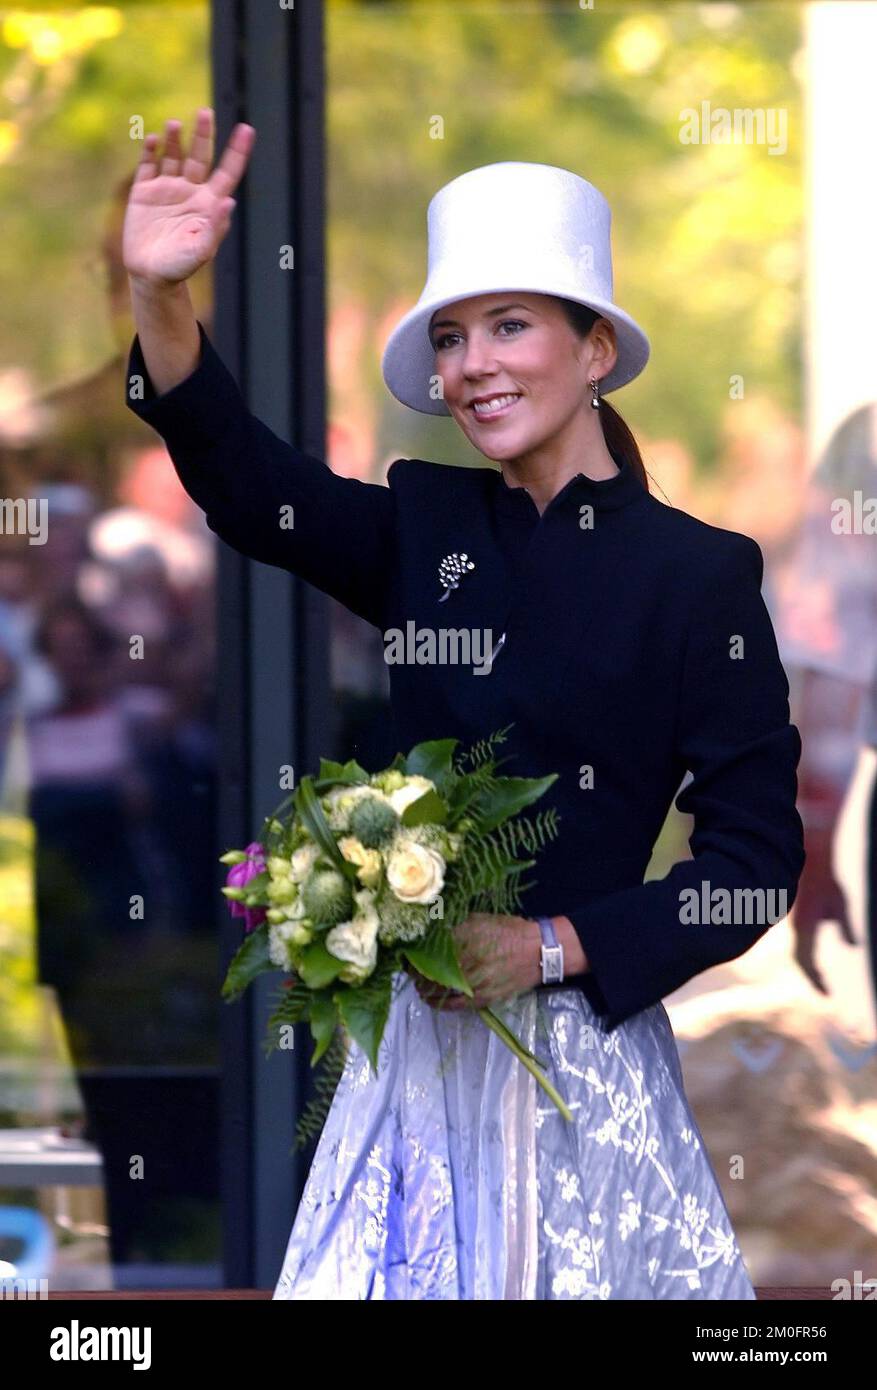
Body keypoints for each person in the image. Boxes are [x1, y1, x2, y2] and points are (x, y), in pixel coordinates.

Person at [121, 109, 805, 1299]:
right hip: (413, 1079)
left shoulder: (697, 575)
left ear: (595, 350)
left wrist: (550, 947)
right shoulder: (424, 525)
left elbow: (753, 861)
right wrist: (162, 299)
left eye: (508, 324)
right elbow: (248, 484)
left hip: (587, 1081)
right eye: (451, 337)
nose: (474, 362)